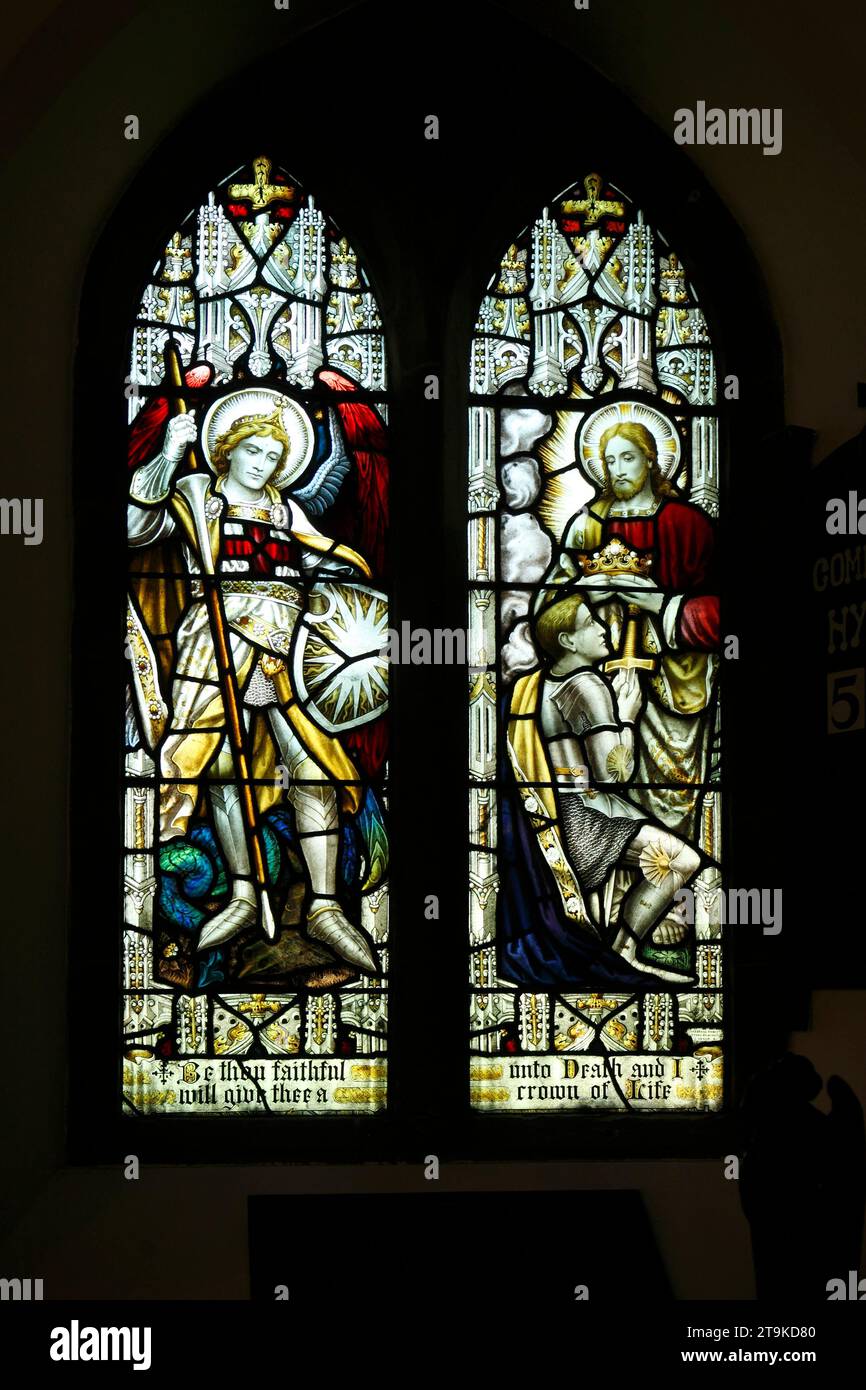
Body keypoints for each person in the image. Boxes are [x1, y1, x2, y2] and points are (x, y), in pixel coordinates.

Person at [127, 388, 379, 975]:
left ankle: (323, 906)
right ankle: (243, 894)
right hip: (214, 643)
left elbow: (314, 558)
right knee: (220, 766)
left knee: (314, 765)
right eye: (254, 452)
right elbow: (134, 526)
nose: (264, 464)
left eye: (274, 455)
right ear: (227, 452)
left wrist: (342, 571)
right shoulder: (198, 499)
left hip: (289, 649)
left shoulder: (288, 510)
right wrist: (167, 455)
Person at [538, 418, 719, 837]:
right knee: (608, 791)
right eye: (609, 460)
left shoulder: (687, 524)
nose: (617, 468)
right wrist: (587, 591)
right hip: (597, 679)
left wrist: (659, 603)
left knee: (673, 796)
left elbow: (721, 612)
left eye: (628, 457)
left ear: (651, 460)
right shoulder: (586, 525)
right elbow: (547, 610)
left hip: (675, 681)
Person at [508, 591, 701, 982]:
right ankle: (622, 954)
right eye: (590, 624)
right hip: (588, 816)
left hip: (565, 811)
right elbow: (614, 774)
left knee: (670, 861)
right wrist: (627, 716)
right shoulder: (586, 686)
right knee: (682, 860)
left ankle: (620, 953)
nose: (601, 629)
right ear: (567, 641)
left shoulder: (545, 683)